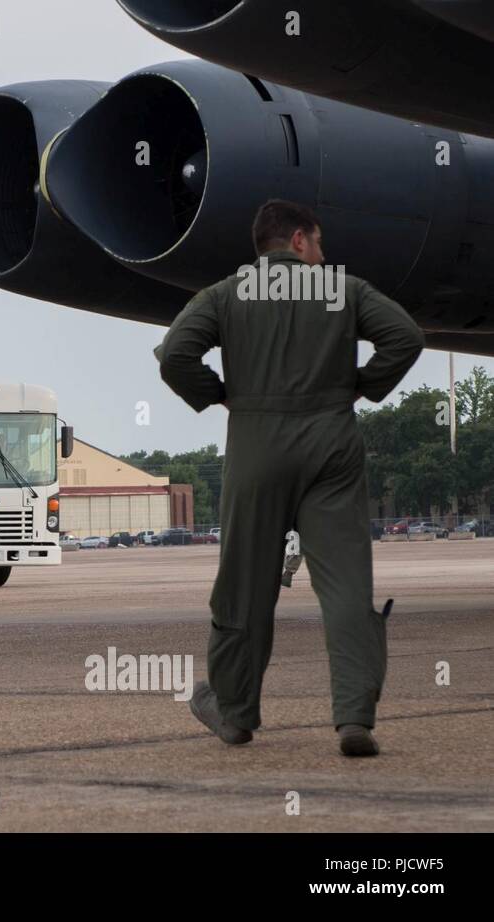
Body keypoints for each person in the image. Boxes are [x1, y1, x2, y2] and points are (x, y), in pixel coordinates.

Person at [155, 199, 424, 757]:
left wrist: (220, 395)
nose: (324, 255)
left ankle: (233, 711)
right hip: (333, 444)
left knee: (246, 585)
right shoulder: (344, 290)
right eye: (320, 243)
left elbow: (177, 354)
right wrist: (363, 386)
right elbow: (406, 337)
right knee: (346, 584)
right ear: (299, 240)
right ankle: (354, 716)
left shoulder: (225, 294)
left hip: (256, 443)